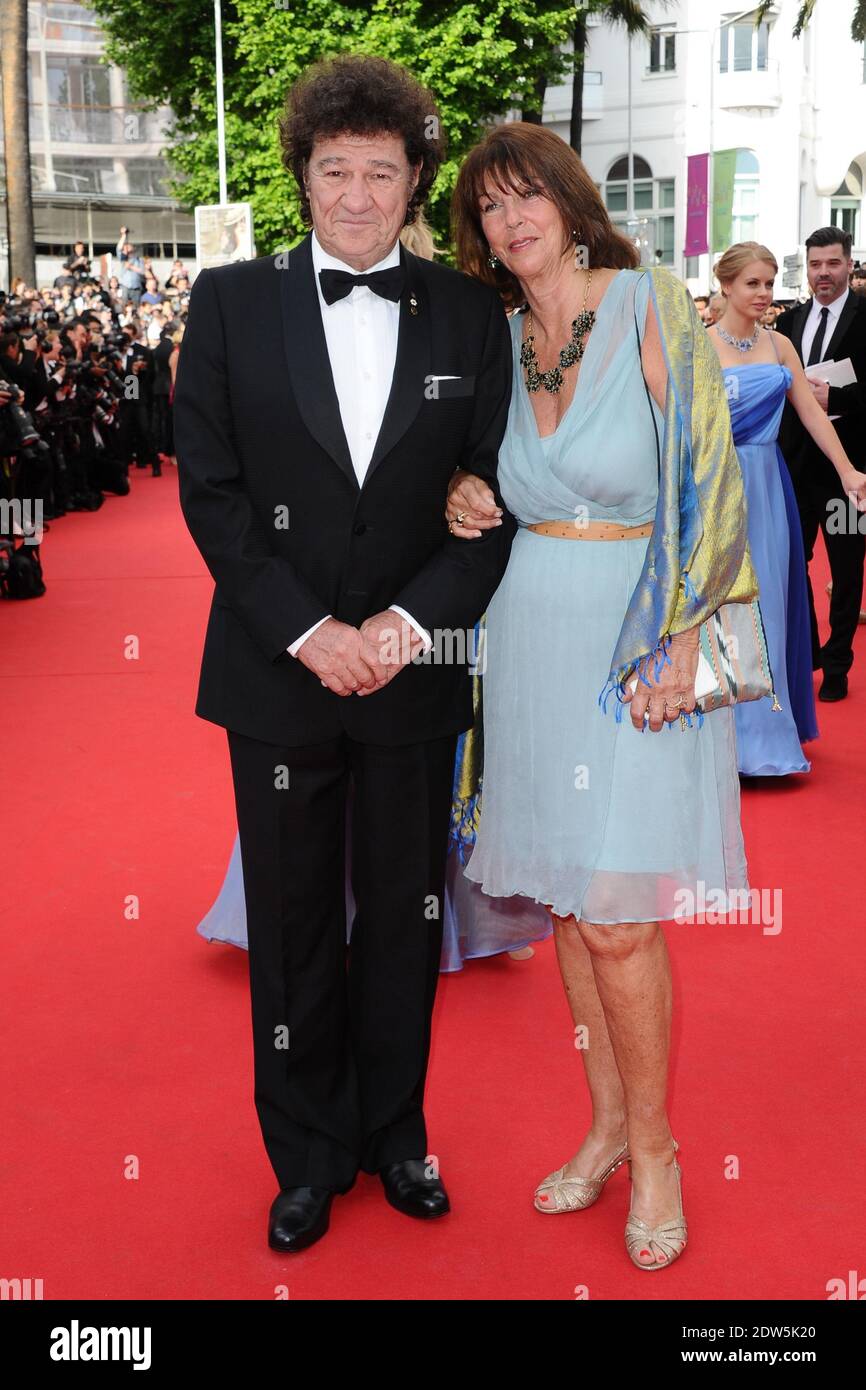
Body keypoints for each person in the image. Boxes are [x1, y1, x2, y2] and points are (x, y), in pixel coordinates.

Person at [173, 54, 515, 1255]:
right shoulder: (227, 302)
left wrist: (404, 626)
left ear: (415, 179)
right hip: (278, 675)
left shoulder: (474, 319)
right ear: (301, 178)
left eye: (382, 171)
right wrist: (310, 631)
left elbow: (488, 502)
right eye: (335, 171)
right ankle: (306, 1154)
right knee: (295, 923)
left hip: (414, 675)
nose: (358, 195)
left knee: (409, 920)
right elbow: (211, 498)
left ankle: (395, 1134)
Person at [444, 121, 766, 1271]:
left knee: (621, 917)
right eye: (490, 206)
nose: (512, 217)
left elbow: (702, 468)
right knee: (572, 913)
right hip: (525, 631)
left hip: (637, 640)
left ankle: (659, 1147)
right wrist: (463, 492)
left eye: (529, 194)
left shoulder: (643, 303)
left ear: (572, 203)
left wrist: (683, 635)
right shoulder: (494, 337)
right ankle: (602, 1128)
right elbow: (470, 466)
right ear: (477, 234)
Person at [708, 244, 865, 772]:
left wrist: (847, 470)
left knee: (769, 602)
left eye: (769, 284)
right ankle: (722, 734)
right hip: (719, 489)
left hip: (770, 486)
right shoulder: (699, 348)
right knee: (725, 607)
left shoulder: (780, 346)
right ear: (725, 285)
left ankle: (768, 735)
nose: (763, 294)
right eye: (752, 283)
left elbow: (815, 416)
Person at [775, 227, 866, 701]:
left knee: (847, 568)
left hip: (846, 472)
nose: (823, 274)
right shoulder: (790, 321)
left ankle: (837, 663)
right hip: (793, 467)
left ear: (849, 264)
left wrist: (841, 397)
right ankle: (808, 652)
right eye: (815, 265)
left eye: (832, 264)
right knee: (793, 561)